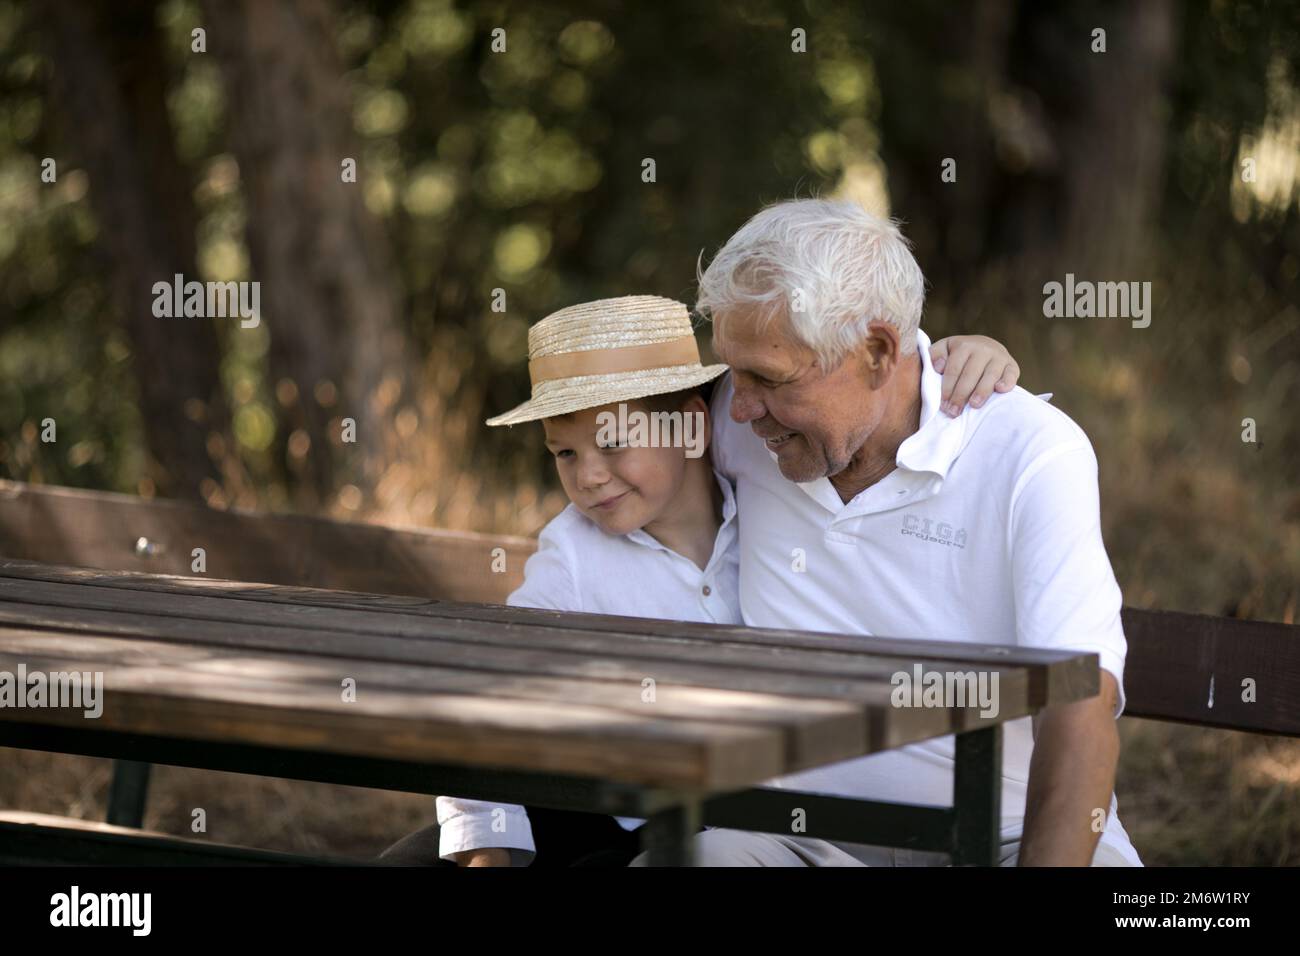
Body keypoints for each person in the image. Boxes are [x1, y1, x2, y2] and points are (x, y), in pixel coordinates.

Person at [378, 293, 1020, 866]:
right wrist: (490, 841)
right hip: (616, 815)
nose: (588, 476)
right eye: (564, 453)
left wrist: (967, 351)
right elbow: (490, 690)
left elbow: (871, 388)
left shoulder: (773, 509)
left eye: (613, 443)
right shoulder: (573, 556)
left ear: (692, 424)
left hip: (752, 829)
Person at [636, 198, 1143, 866]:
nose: (742, 402)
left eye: (769, 378)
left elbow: (1080, 698)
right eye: (733, 369)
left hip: (1002, 835)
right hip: (800, 835)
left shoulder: (1031, 453)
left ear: (877, 351)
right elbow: (605, 462)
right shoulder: (736, 422)